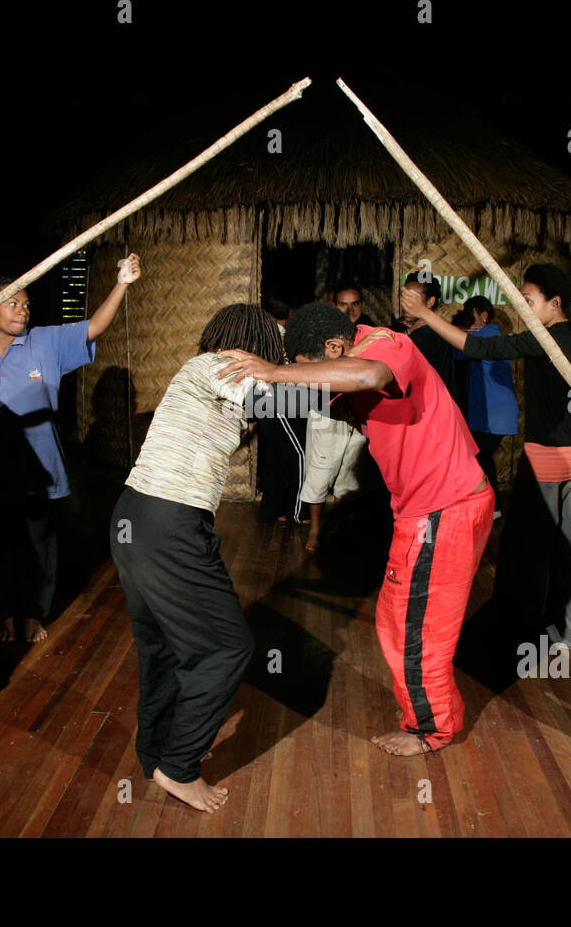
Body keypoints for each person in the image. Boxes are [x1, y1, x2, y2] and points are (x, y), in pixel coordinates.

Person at [219, 302, 493, 757]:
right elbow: (301, 396)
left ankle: (431, 728)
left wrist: (274, 371)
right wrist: (230, 389)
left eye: (315, 367)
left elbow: (368, 377)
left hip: (444, 508)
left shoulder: (386, 345)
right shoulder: (346, 366)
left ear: (334, 346)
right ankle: (427, 716)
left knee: (414, 627)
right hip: (428, 509)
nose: (317, 376)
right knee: (397, 617)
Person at [109, 304, 284, 813]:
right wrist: (335, 373)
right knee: (227, 649)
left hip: (138, 519)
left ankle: (158, 750)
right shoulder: (224, 367)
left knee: (162, 645)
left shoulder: (202, 370)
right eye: (271, 344)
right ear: (254, 344)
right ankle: (179, 768)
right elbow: (286, 400)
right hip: (168, 526)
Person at [403, 263, 571, 651]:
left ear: (556, 302)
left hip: (547, 460)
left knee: (529, 549)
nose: (525, 309)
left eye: (529, 302)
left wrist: (427, 315)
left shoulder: (548, 339)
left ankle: (522, 635)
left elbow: (478, 347)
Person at [0, 256, 140, 643]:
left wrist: (122, 283)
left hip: (39, 468)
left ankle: (33, 613)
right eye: (13, 303)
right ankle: (4, 614)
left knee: (38, 544)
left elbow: (92, 328)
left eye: (26, 303)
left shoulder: (44, 343)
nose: (22, 310)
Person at [301, 289, 371, 552]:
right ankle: (316, 529)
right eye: (343, 304)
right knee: (320, 472)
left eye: (355, 304)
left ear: (361, 305)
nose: (350, 310)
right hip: (326, 413)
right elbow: (312, 375)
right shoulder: (320, 334)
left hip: (358, 416)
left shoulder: (369, 333)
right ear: (334, 305)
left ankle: (341, 526)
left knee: (349, 474)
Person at [455, 296, 519, 496]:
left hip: (492, 414)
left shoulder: (484, 336)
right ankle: (492, 505)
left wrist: (460, 332)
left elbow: (455, 351)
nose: (467, 321)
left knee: (479, 457)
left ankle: (493, 505)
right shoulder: (494, 335)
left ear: (483, 316)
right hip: (498, 412)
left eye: (470, 315)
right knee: (481, 457)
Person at [255, 298, 307, 524]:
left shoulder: (263, 335)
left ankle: (270, 511)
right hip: (275, 401)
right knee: (300, 454)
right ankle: (296, 513)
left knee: (275, 457)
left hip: (266, 400)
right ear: (291, 311)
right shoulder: (277, 337)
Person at [401, 275, 458, 402]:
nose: (406, 305)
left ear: (430, 302)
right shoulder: (420, 331)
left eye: (413, 300)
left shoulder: (425, 335)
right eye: (404, 298)